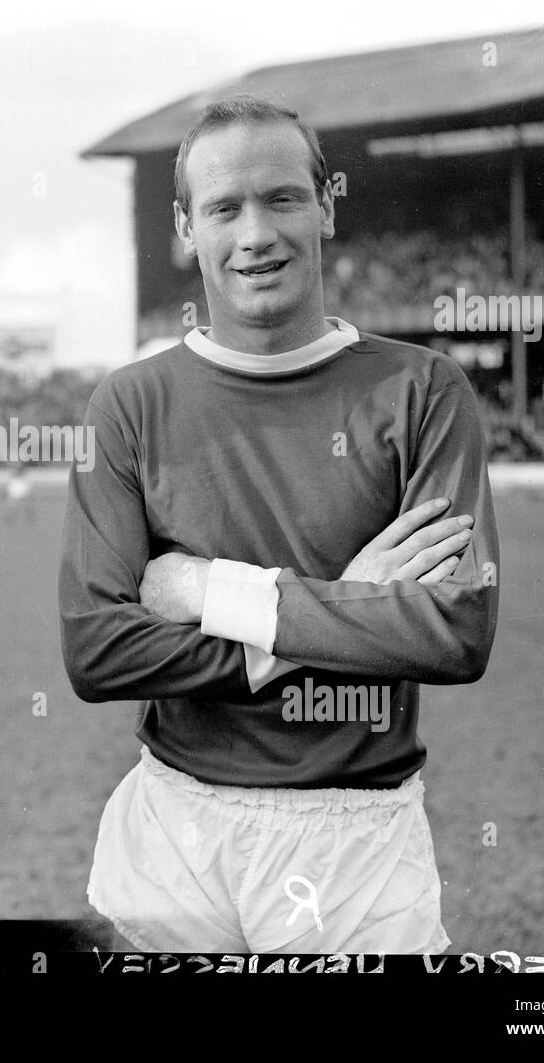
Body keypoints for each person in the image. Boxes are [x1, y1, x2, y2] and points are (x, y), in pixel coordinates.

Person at [59, 96, 499, 955]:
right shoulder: (129, 404)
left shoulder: (425, 390)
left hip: (358, 836)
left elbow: (456, 629)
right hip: (177, 826)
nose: (255, 233)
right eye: (224, 208)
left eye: (282, 199)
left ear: (326, 204)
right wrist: (348, 605)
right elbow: (97, 650)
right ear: (187, 227)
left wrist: (206, 590)